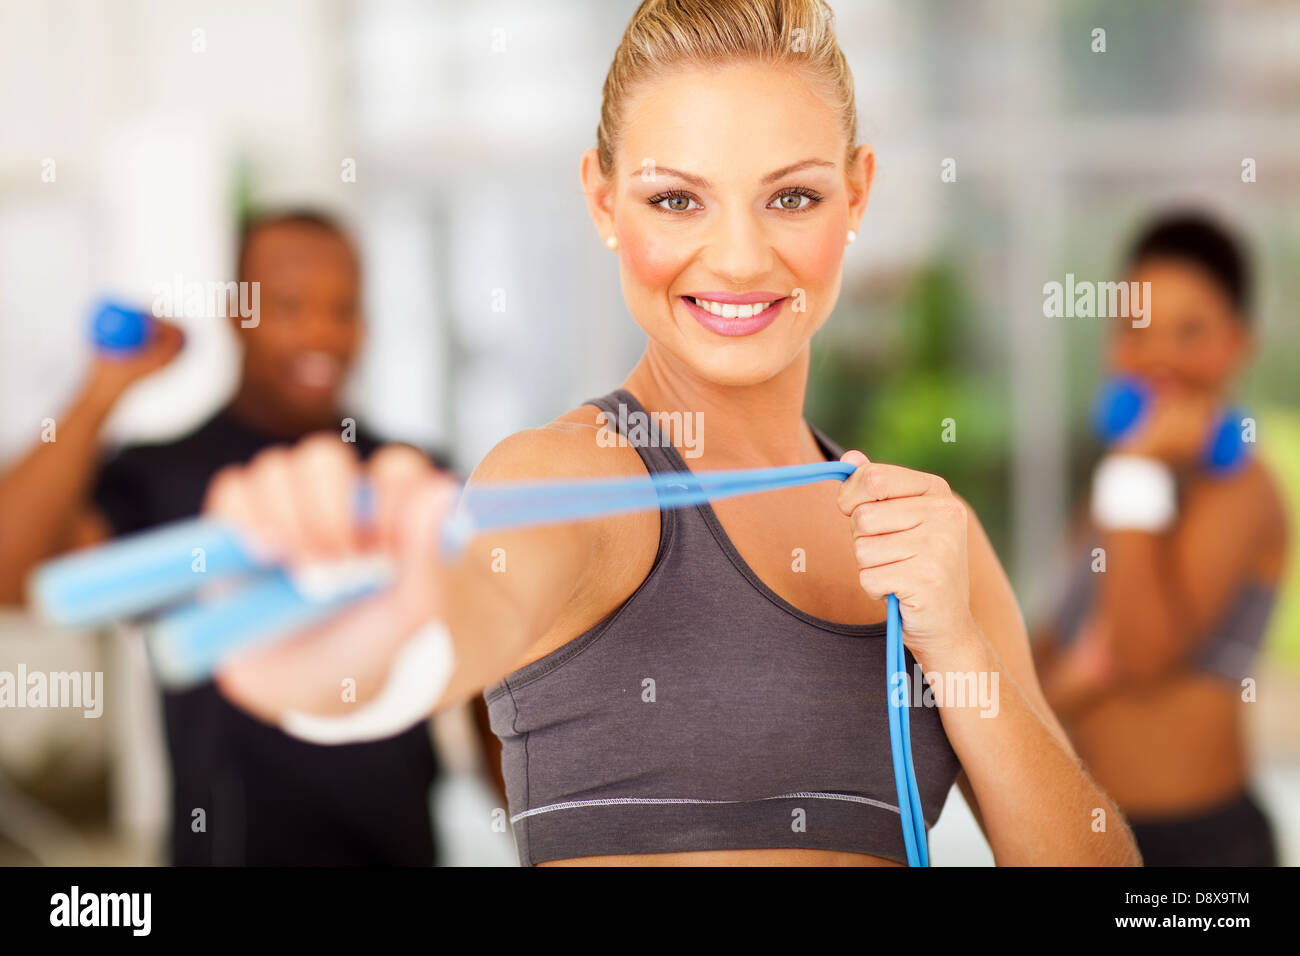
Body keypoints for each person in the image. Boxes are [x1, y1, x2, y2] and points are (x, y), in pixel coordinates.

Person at [188, 0, 1139, 866]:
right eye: (676, 199)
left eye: (793, 197)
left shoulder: (932, 537)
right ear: (604, 201)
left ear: (858, 195)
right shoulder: (561, 480)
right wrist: (327, 641)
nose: (736, 257)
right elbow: (446, 626)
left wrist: (960, 648)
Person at [0, 210, 448, 866]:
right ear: (239, 314)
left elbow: (490, 678)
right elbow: (11, 575)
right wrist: (105, 387)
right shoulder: (161, 475)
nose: (322, 331)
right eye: (290, 305)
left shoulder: (409, 474)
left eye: (343, 307)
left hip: (398, 851)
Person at [1035, 212, 1288, 866]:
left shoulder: (1241, 489)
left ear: (1238, 344)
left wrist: (1139, 468)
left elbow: (1142, 657)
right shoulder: (1117, 487)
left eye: (1191, 331)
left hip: (1202, 847)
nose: (1160, 356)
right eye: (1136, 329)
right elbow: (1050, 645)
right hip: (1094, 838)